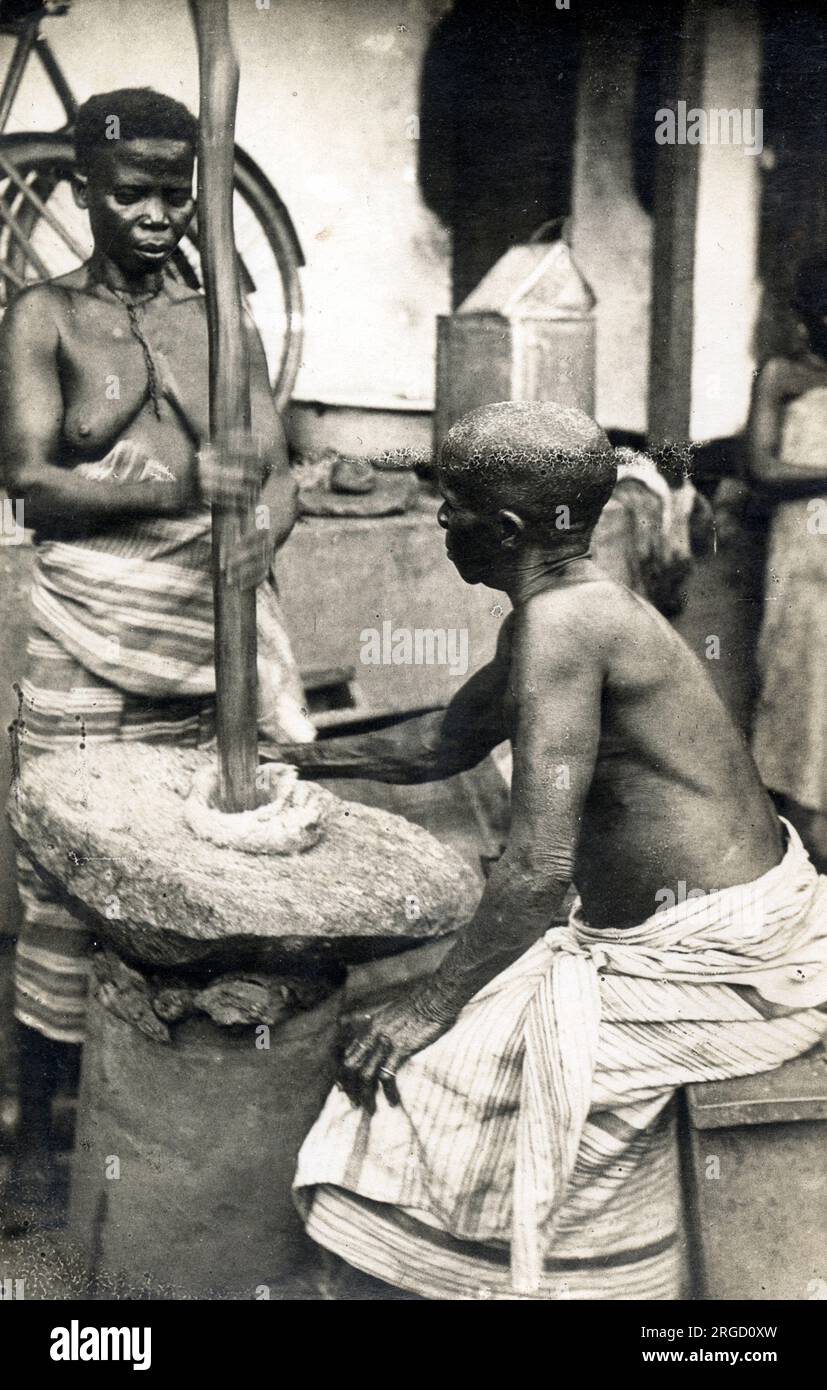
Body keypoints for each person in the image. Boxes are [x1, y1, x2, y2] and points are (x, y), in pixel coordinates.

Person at [274, 401, 827, 1300]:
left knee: (429, 1079)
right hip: (694, 926)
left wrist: (427, 1008)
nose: (438, 518)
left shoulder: (566, 626)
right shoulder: (569, 604)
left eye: (449, 504)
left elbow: (535, 873)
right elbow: (439, 746)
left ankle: (599, 1290)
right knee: (452, 1054)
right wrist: (291, 754)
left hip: (716, 958)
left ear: (500, 529)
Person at [0, 87, 309, 1220]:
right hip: (90, 644)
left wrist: (253, 537)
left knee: (194, 882)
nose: (157, 214)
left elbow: (273, 474)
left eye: (177, 194)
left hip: (204, 649)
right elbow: (29, 480)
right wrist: (185, 489)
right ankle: (41, 1139)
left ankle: (169, 1136)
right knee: (65, 893)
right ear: (84, 187)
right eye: (131, 193)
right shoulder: (44, 318)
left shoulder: (224, 315)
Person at [748, 257, 827, 874]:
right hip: (802, 554)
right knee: (797, 682)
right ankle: (797, 837)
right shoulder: (782, 376)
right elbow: (764, 469)